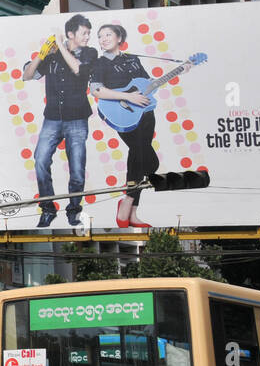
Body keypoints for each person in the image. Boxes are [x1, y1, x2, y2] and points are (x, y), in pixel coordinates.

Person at [23, 14, 98, 227]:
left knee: (76, 167)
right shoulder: (52, 55)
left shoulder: (90, 53)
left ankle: (74, 210)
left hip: (77, 118)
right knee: (40, 160)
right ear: (71, 34)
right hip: (52, 118)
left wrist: (61, 47)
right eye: (84, 33)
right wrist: (42, 54)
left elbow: (79, 70)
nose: (87, 37)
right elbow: (27, 75)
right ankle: (48, 209)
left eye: (88, 33)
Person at [90, 23, 159, 228]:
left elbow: (147, 83)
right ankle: (128, 203)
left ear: (119, 37)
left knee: (141, 159)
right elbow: (97, 91)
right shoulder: (100, 63)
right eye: (100, 36)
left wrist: (179, 71)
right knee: (147, 160)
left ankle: (131, 210)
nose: (103, 39)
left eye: (108, 34)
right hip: (123, 114)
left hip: (146, 112)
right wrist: (127, 96)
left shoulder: (133, 58)